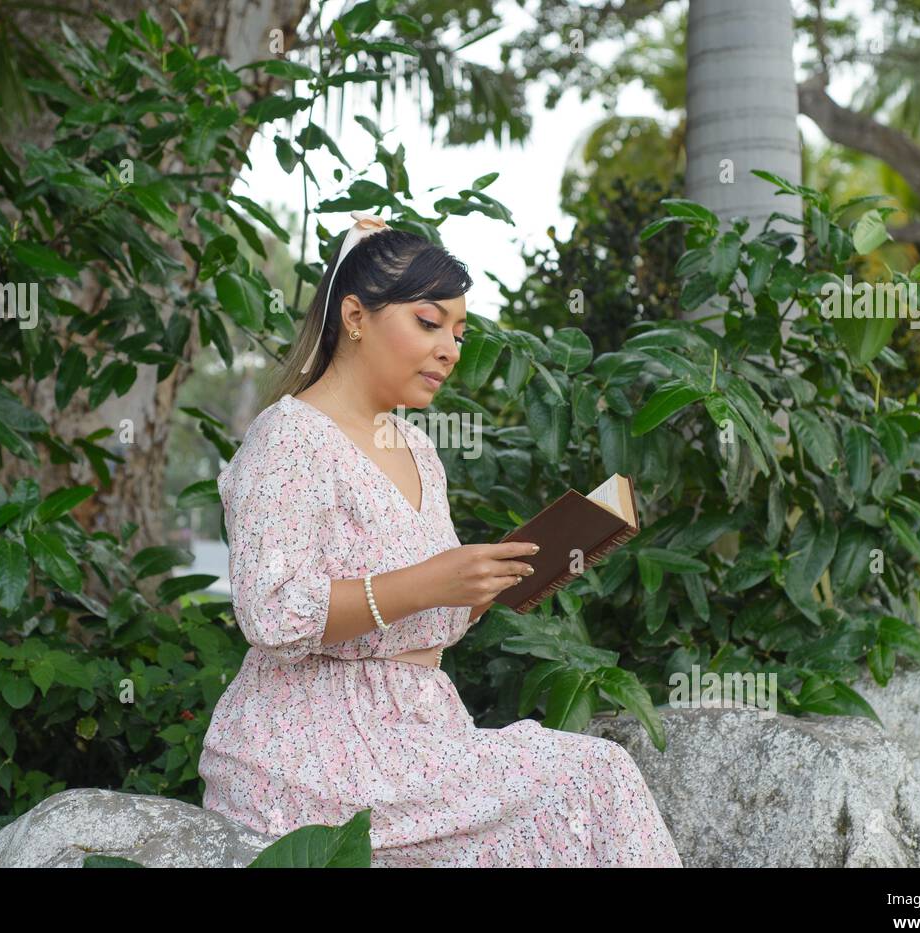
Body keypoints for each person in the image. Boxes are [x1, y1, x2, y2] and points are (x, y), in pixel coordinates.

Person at [198, 212, 683, 867]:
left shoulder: (419, 450)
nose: (451, 349)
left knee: (588, 784)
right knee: (596, 774)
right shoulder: (289, 439)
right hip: (312, 744)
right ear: (356, 316)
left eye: (458, 333)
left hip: (420, 732)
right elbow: (272, 610)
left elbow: (432, 617)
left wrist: (493, 581)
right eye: (429, 323)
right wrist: (435, 580)